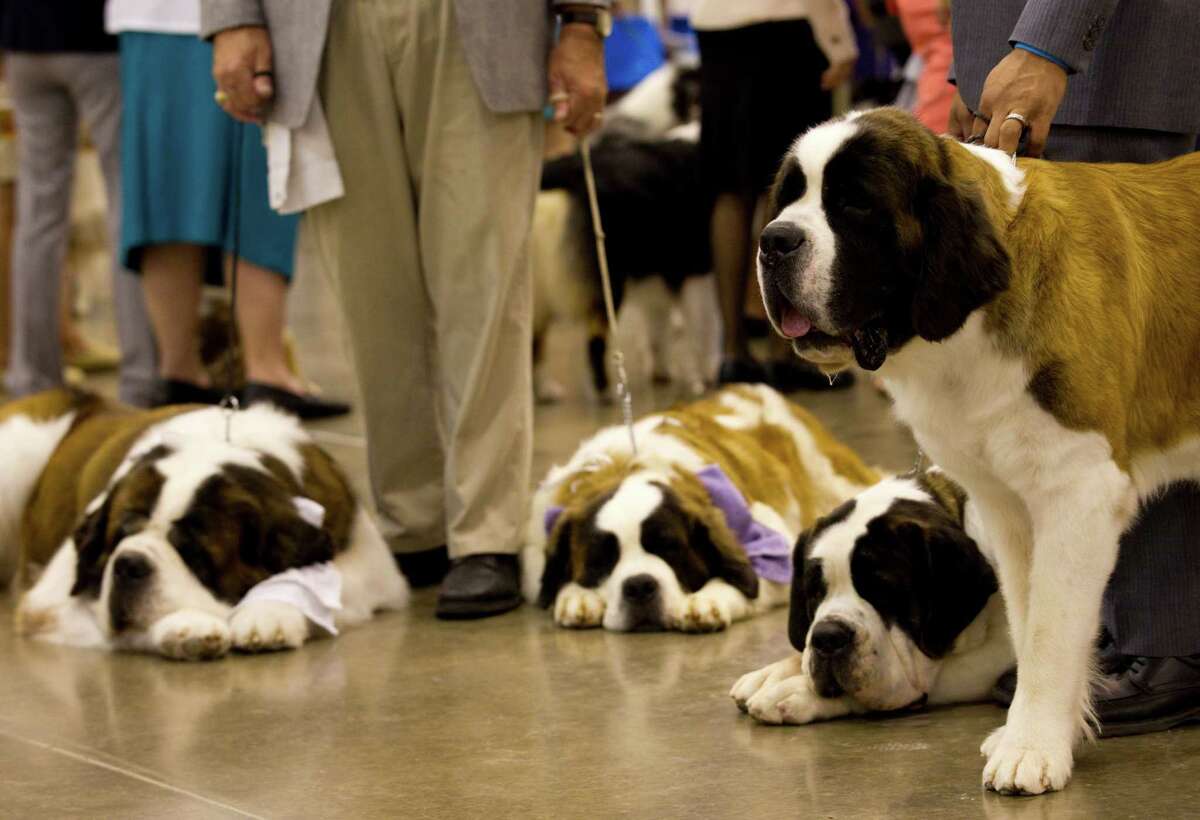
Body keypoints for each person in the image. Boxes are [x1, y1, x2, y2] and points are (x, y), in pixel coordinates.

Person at [200, 0, 609, 618]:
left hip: (481, 21)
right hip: (324, 23)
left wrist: (581, 21)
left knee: (486, 280)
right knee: (369, 291)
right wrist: (232, 17)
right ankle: (412, 520)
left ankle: (486, 533)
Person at [949, 0, 1200, 736]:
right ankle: (1116, 649)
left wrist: (1046, 48)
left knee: (1123, 385)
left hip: (1103, 74)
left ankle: (1166, 644)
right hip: (1021, 65)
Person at [106, 0, 347, 419]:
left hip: (151, 17)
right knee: (256, 181)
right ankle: (265, 370)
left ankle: (180, 373)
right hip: (242, 17)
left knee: (167, 189)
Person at [691, 0, 858, 388]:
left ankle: (732, 352)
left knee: (730, 185)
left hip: (715, 27)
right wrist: (837, 39)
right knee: (786, 181)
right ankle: (786, 351)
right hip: (787, 24)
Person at [1, 0, 158, 406]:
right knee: (127, 204)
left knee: (37, 217)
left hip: (24, 40)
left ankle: (32, 378)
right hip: (100, 40)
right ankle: (142, 376)